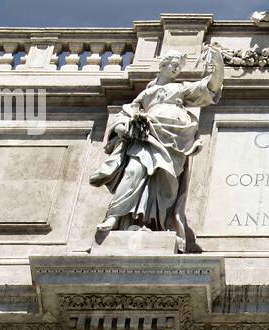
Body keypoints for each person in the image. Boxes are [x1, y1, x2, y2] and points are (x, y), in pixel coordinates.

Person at [90, 44, 223, 252]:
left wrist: (218, 65)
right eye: (173, 65)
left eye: (179, 67)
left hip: (174, 138)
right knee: (134, 172)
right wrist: (124, 127)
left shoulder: (181, 89)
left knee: (164, 181)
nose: (176, 69)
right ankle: (115, 217)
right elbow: (125, 114)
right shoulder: (146, 94)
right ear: (162, 65)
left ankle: (152, 224)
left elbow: (210, 88)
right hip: (146, 135)